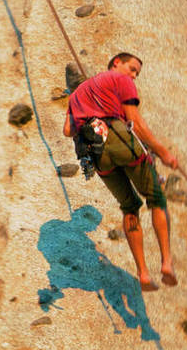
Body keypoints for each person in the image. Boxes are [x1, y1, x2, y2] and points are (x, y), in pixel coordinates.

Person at [63, 52, 179, 291]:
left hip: (98, 156)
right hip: (120, 140)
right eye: (133, 68)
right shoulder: (120, 80)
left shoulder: (74, 97)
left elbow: (67, 130)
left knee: (129, 207)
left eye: (136, 73)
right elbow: (134, 120)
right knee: (156, 198)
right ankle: (166, 262)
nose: (134, 76)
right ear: (117, 63)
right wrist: (162, 151)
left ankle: (143, 273)